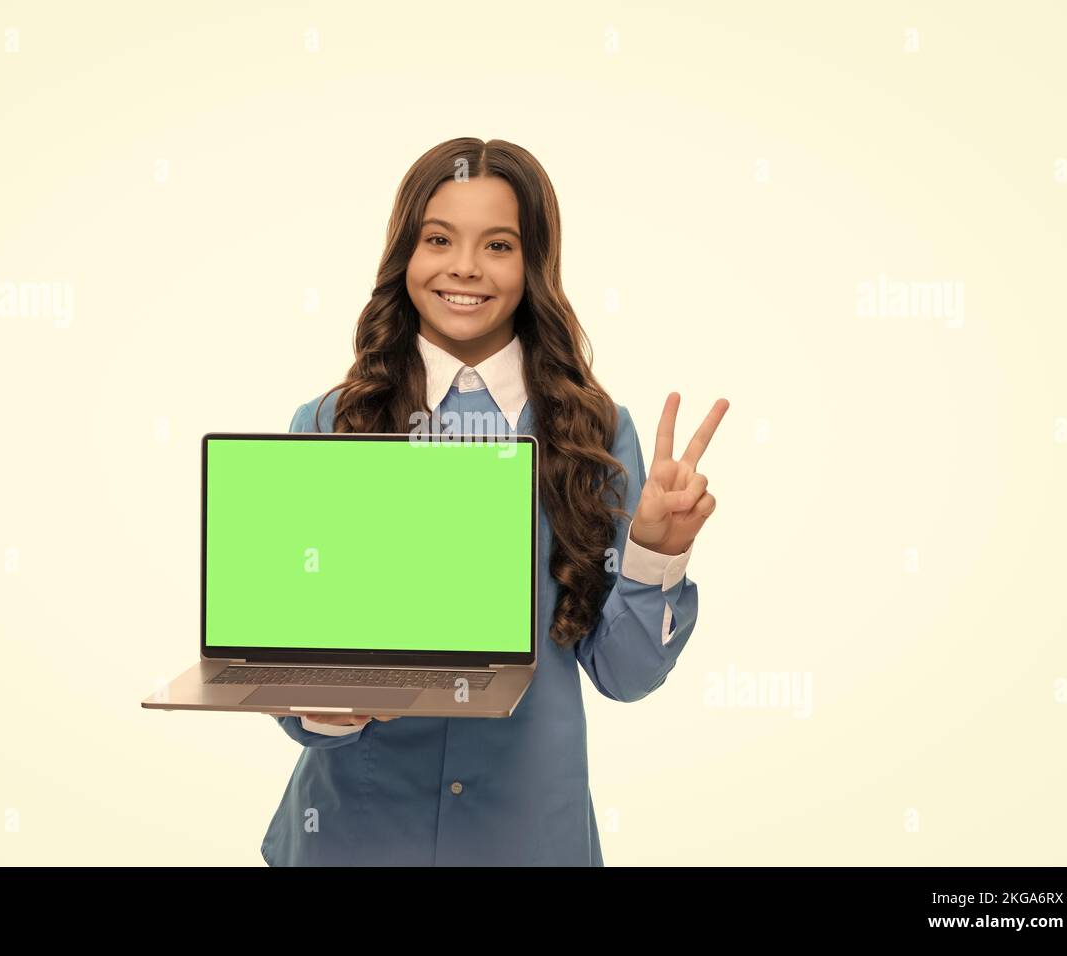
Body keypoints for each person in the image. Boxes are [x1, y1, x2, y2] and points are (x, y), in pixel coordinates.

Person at [261, 137, 728, 866]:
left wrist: (657, 552)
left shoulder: (598, 435)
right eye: (438, 238)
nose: (465, 267)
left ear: (533, 264)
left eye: (499, 244)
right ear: (403, 257)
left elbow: (625, 675)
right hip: (354, 837)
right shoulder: (327, 424)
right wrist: (329, 708)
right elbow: (298, 683)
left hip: (527, 840)